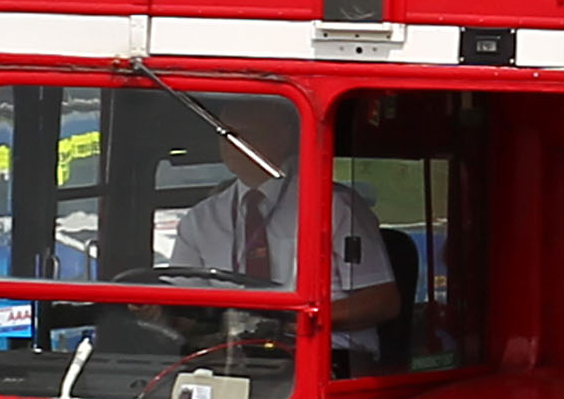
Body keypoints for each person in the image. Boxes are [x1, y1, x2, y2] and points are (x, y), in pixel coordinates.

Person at [164, 109, 400, 332]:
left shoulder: (334, 206)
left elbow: (381, 302)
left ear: (283, 136)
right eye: (224, 133)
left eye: (244, 134)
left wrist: (291, 325)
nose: (231, 144)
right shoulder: (200, 219)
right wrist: (157, 312)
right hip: (232, 358)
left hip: (328, 354)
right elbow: (188, 310)